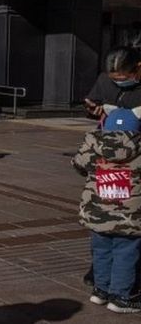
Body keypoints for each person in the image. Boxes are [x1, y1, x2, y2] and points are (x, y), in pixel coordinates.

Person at [72, 108, 141, 314]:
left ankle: (100, 291)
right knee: (126, 254)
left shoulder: (93, 145)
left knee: (101, 252)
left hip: (98, 213)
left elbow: (77, 164)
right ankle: (120, 297)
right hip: (130, 217)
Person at [86, 46, 141, 120]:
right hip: (112, 127)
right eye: (114, 79)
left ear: (138, 68)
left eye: (124, 79)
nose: (119, 82)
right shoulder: (104, 80)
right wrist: (93, 109)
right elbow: (94, 102)